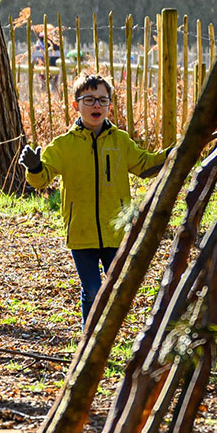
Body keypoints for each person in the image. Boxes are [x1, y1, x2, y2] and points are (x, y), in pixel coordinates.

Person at [17, 75, 168, 326]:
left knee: (114, 290)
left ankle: (105, 337)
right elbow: (42, 179)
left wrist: (176, 153)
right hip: (81, 232)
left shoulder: (120, 141)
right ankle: (89, 338)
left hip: (116, 231)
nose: (96, 105)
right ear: (76, 105)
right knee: (92, 289)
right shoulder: (64, 145)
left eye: (102, 100)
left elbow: (144, 165)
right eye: (89, 100)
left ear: (110, 105)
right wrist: (34, 168)